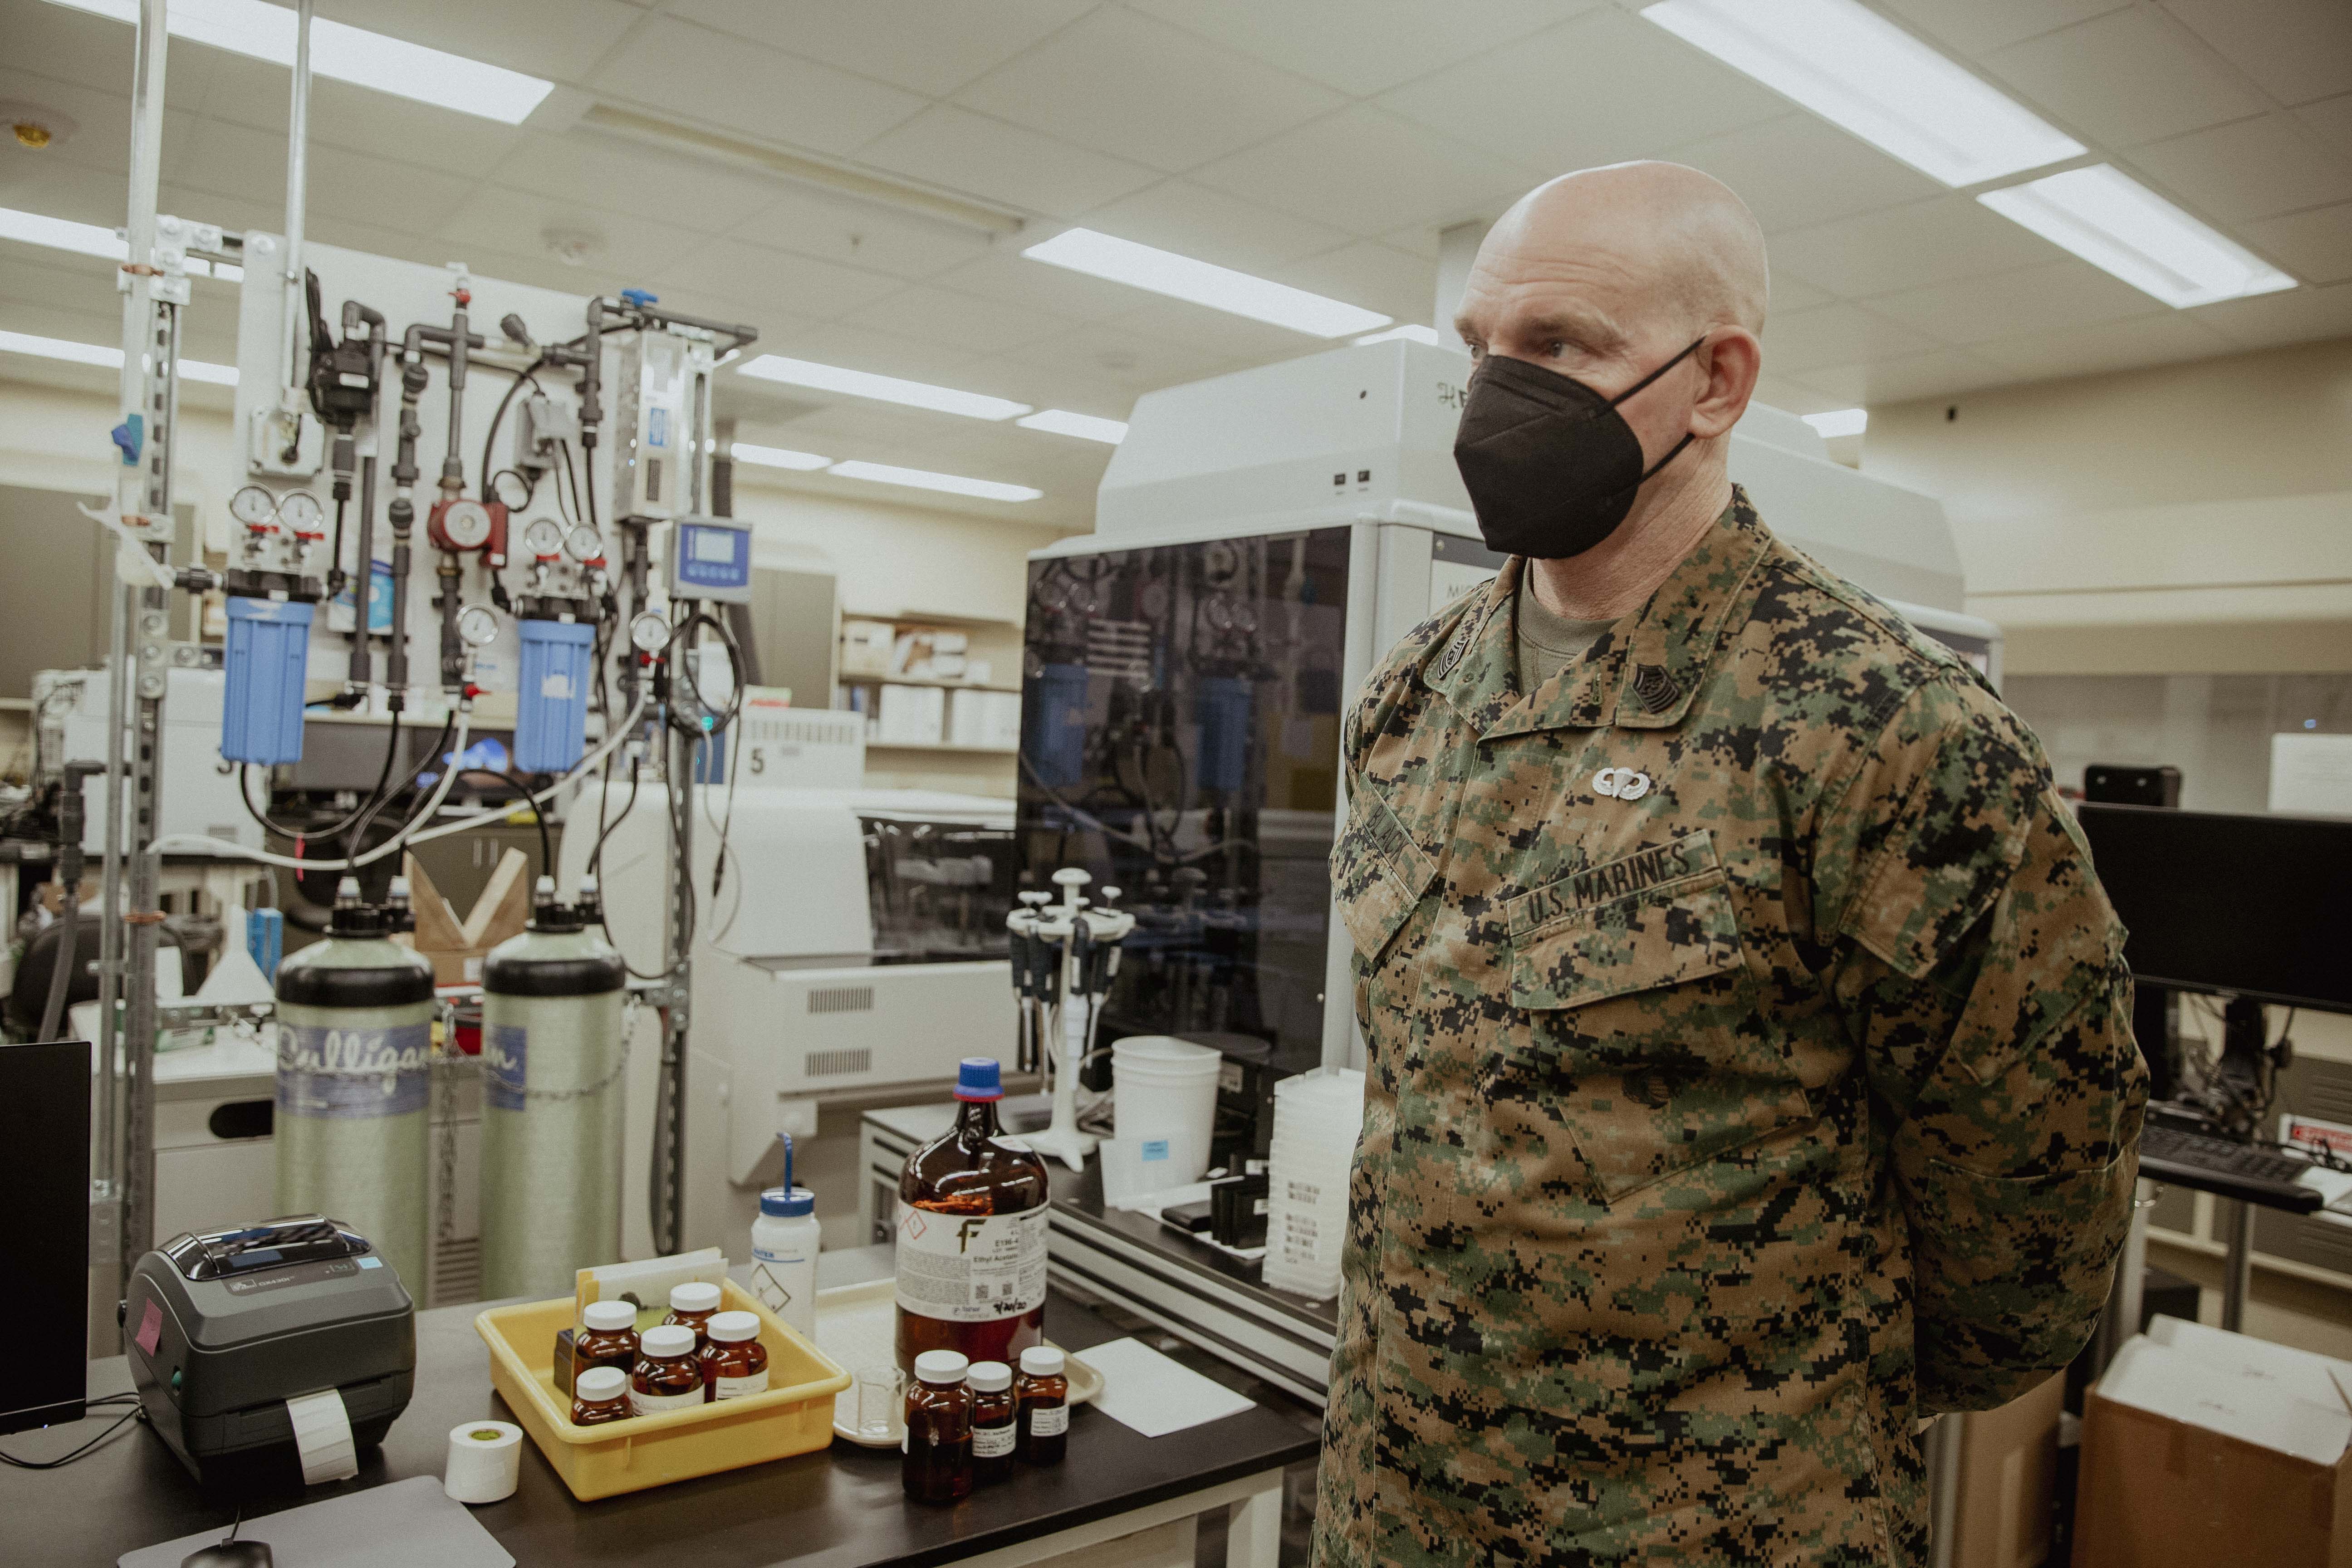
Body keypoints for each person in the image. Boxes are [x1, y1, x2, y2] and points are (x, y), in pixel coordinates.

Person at [1315, 162, 2146, 1568]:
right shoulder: (1413, 694)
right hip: (1398, 1508)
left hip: (1709, 1529)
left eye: (1559, 346)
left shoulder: (1884, 725)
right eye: (1481, 347)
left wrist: (1777, 1416)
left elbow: (2034, 1225)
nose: (1496, 394)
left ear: (1716, 382)